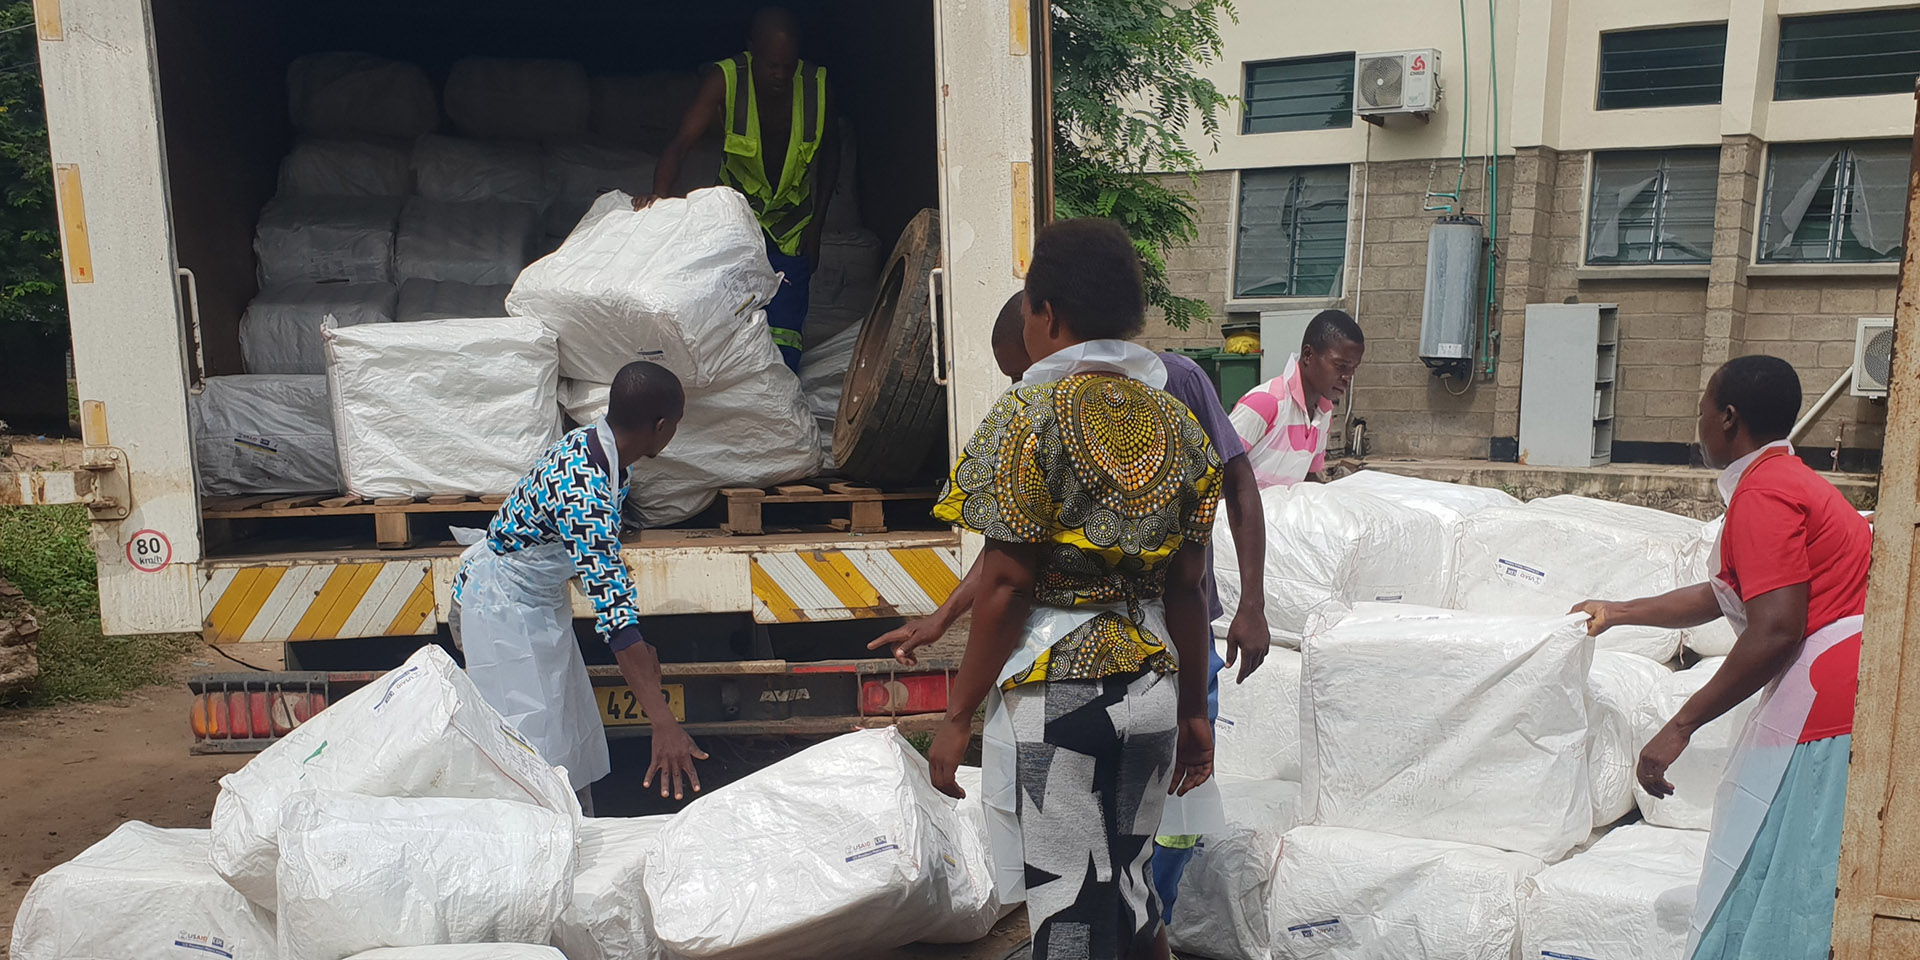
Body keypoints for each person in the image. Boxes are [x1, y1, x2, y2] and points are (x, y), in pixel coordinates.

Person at [873, 289, 1270, 928]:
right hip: (1153, 688)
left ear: (1047, 315)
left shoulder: (1030, 415)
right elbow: (1189, 589)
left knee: (1069, 913)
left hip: (1064, 693)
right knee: (1134, 901)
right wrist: (1194, 709)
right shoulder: (1179, 425)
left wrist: (957, 717)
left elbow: (1007, 582)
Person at [1570, 355, 1871, 959]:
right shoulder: (1790, 481)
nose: (1699, 420)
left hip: (1827, 711)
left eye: (1702, 408)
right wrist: (1621, 611)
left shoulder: (1766, 495)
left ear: (1728, 418)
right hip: (1840, 692)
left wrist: (1678, 726)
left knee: (1791, 867)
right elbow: (1725, 593)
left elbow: (1777, 629)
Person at [450, 360, 708, 815]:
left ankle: (576, 838)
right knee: (528, 754)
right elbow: (615, 618)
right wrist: (663, 722)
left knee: (567, 739)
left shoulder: (598, 452)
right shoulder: (585, 486)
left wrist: (640, 643)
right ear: (662, 427)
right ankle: (536, 864)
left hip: (535, 606)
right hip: (502, 613)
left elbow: (602, 569)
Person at [641, 6, 839, 372]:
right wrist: (659, 196)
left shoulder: (816, 84)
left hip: (792, 226)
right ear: (752, 51)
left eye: (787, 65)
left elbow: (831, 156)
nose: (781, 74)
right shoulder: (726, 79)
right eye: (771, 65)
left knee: (784, 342)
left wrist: (816, 228)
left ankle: (774, 414)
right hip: (735, 224)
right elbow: (682, 142)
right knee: (726, 328)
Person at [1228, 309, 1365, 488]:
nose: (1348, 376)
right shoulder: (1265, 403)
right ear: (1308, 355)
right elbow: (1214, 468)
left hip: (1285, 514)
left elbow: (1309, 478)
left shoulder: (1323, 414)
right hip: (1241, 514)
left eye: (1353, 368)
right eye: (1340, 366)